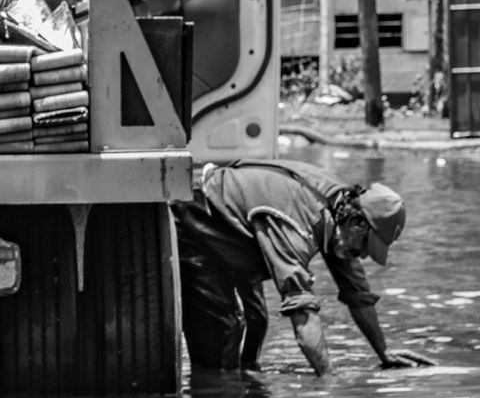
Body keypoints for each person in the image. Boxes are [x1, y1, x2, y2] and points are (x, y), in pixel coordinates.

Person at [171, 158, 435, 376]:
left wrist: (383, 351)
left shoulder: (342, 209)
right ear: (358, 224)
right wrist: (329, 380)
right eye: (367, 246)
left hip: (237, 229)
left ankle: (245, 377)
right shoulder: (300, 224)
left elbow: (358, 295)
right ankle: (216, 393)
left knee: (257, 321)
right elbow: (301, 310)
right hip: (196, 222)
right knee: (225, 330)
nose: (365, 255)